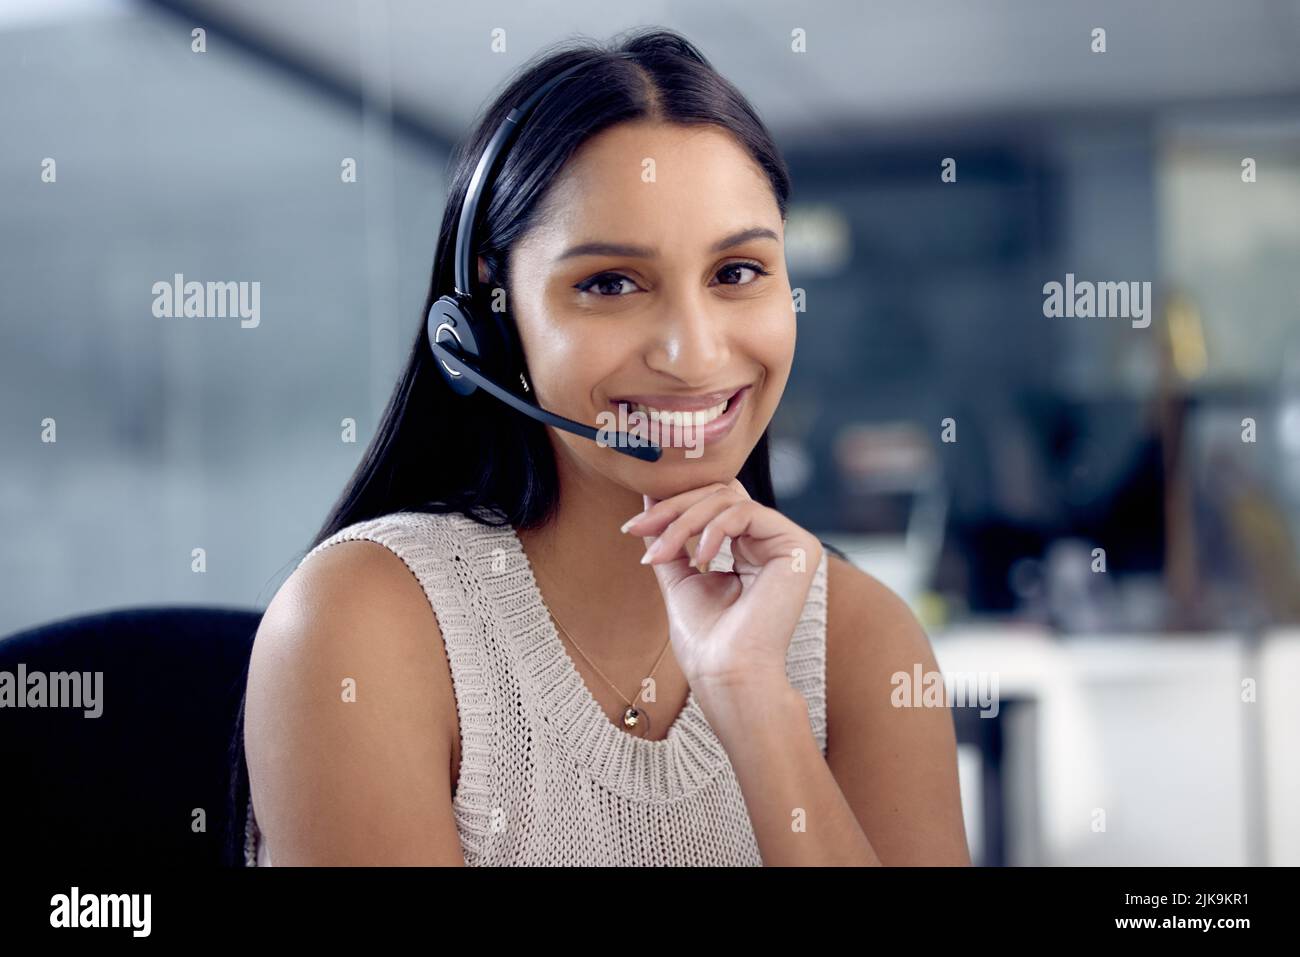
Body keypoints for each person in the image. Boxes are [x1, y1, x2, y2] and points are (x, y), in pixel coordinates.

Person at [239, 27, 969, 866]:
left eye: (737, 273)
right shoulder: (361, 623)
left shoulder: (864, 640)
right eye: (609, 283)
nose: (693, 354)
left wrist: (756, 700)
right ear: (484, 322)